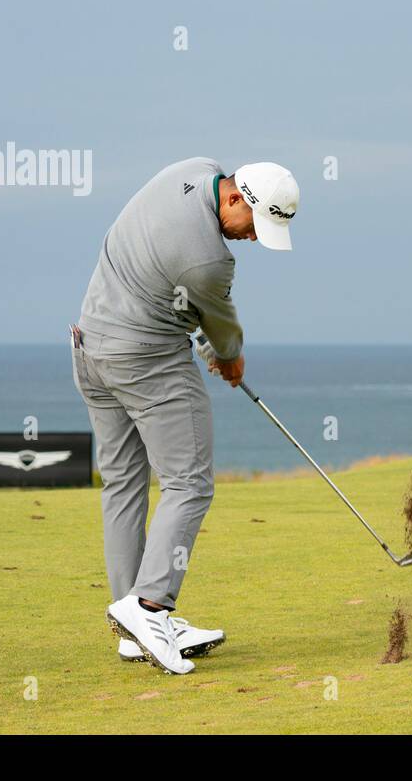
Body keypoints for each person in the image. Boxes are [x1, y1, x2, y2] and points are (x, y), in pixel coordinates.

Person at [70, 157, 299, 674]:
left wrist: (208, 340)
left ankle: (133, 626)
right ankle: (150, 607)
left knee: (124, 484)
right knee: (189, 483)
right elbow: (221, 333)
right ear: (237, 198)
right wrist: (231, 359)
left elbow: (175, 292)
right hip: (143, 360)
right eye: (255, 228)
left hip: (90, 347)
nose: (254, 240)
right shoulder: (210, 263)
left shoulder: (193, 169)